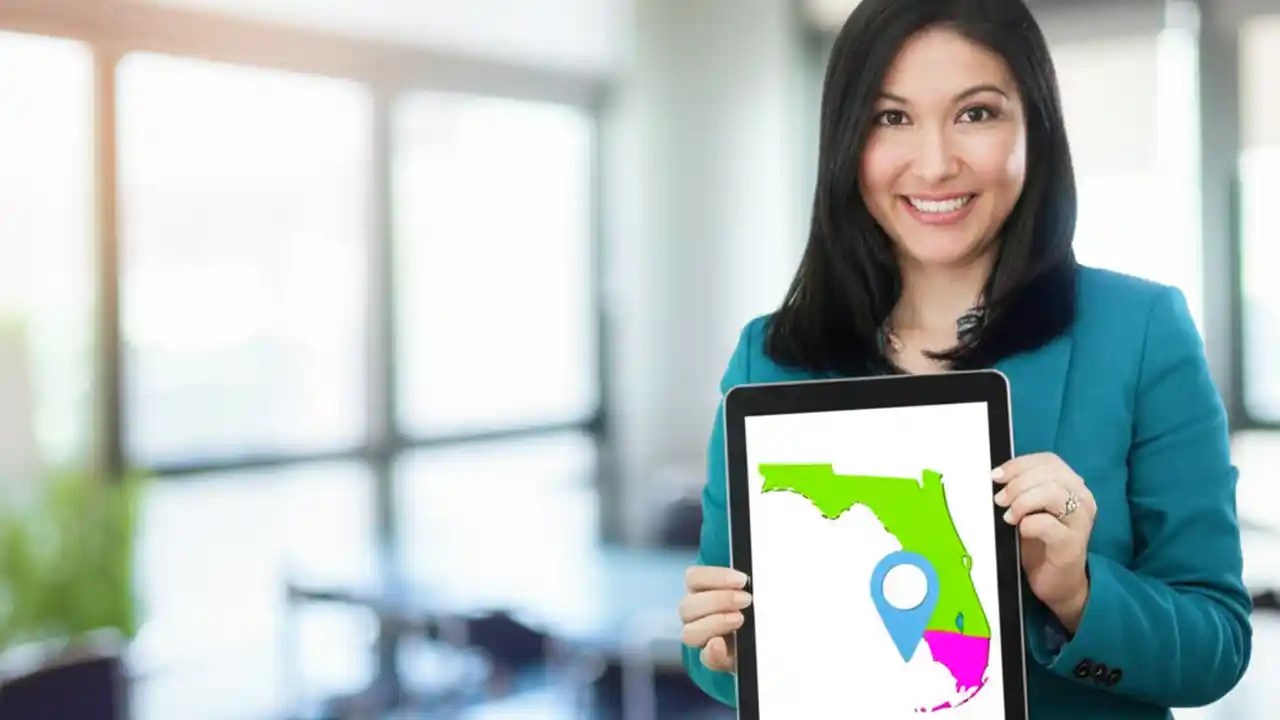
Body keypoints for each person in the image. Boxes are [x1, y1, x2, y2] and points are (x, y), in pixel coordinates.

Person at [676, 0, 1253, 717]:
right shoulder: (768, 358)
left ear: (1033, 128)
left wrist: (1075, 590)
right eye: (892, 117)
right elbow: (717, 654)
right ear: (845, 138)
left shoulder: (1140, 329)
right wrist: (723, 650)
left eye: (976, 114)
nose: (936, 162)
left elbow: (1217, 648)